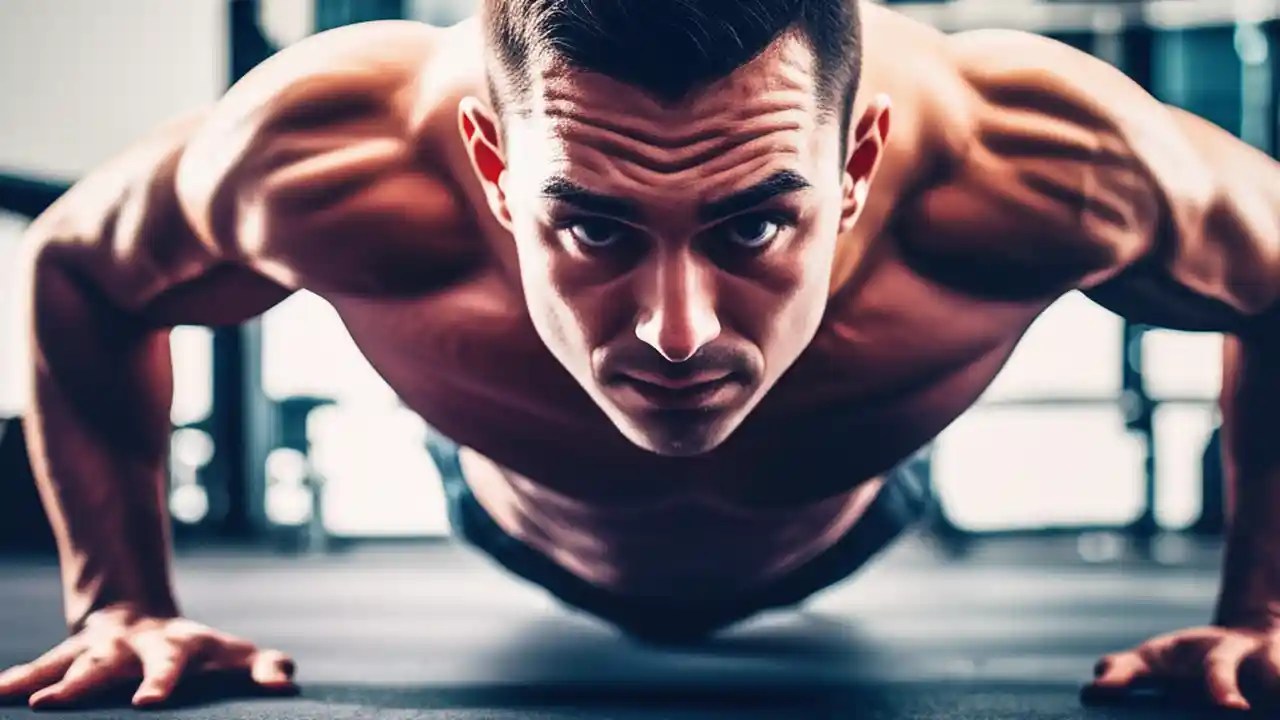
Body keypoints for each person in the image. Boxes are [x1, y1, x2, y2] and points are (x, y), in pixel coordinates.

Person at [2, 0, 1278, 711]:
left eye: (756, 221)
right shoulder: (330, 151)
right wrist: (122, 604)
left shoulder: (1040, 155)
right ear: (497, 173)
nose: (677, 332)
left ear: (857, 158)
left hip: (852, 507)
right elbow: (77, 265)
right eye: (594, 224)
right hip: (513, 507)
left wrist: (1260, 617)